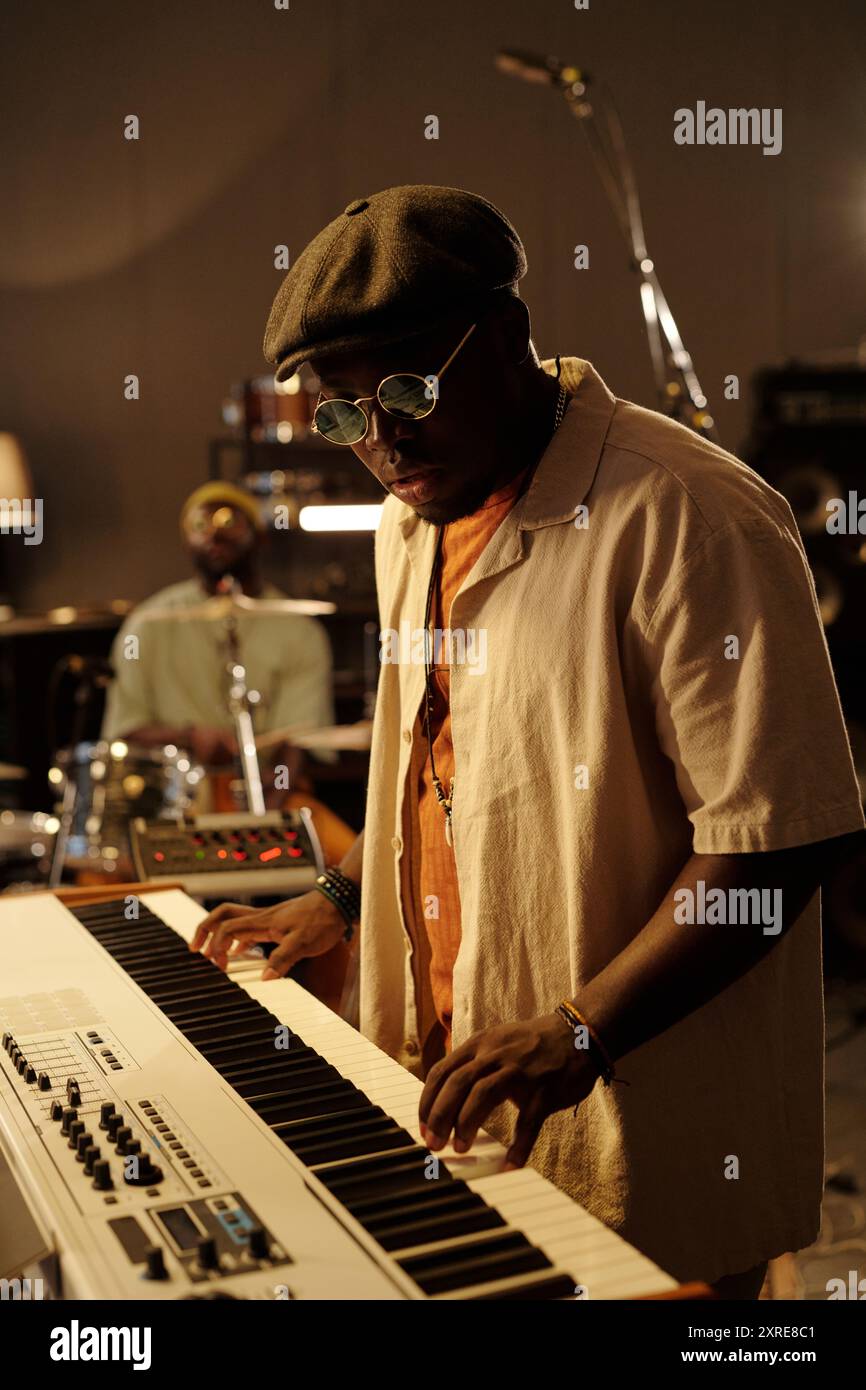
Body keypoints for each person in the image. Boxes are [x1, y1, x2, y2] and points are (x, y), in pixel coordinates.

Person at [190, 184, 865, 1295]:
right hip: (463, 1092)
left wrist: (580, 1029)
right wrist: (345, 896)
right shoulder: (412, 515)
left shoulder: (690, 514)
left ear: (507, 337)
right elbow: (445, 764)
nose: (383, 440)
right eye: (344, 413)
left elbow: (777, 838)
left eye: (407, 389)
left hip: (642, 1113)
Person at [101, 481, 335, 796]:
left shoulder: (300, 632)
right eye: (199, 525)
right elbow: (123, 734)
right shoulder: (146, 626)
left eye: (229, 522)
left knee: (343, 847)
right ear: (185, 542)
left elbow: (297, 740)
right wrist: (189, 738)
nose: (214, 533)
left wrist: (273, 800)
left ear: (259, 536)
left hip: (265, 794)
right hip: (171, 800)